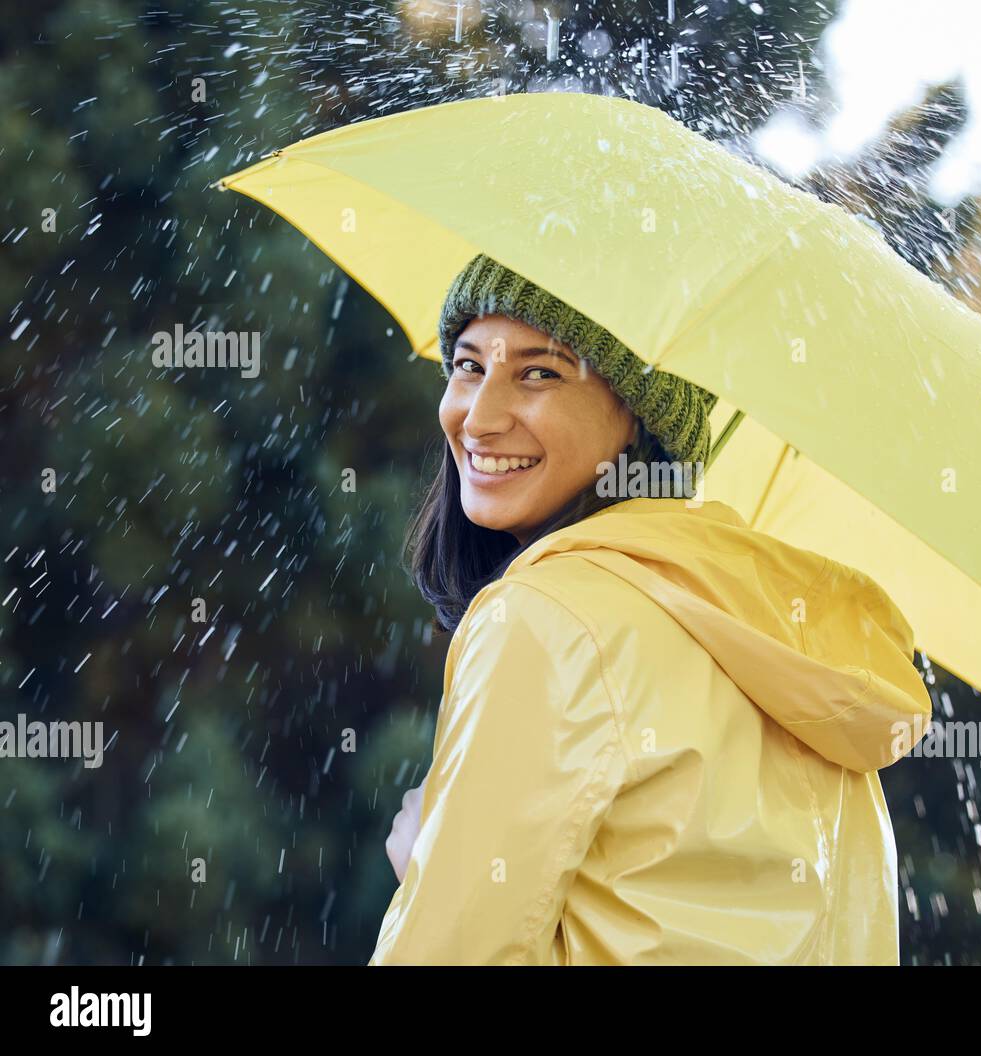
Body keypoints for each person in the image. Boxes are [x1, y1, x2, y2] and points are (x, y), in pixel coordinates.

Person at [369, 253, 932, 965]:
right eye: (468, 364)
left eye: (539, 372)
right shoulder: (792, 653)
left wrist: (429, 869)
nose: (478, 418)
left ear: (637, 417)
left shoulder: (545, 617)